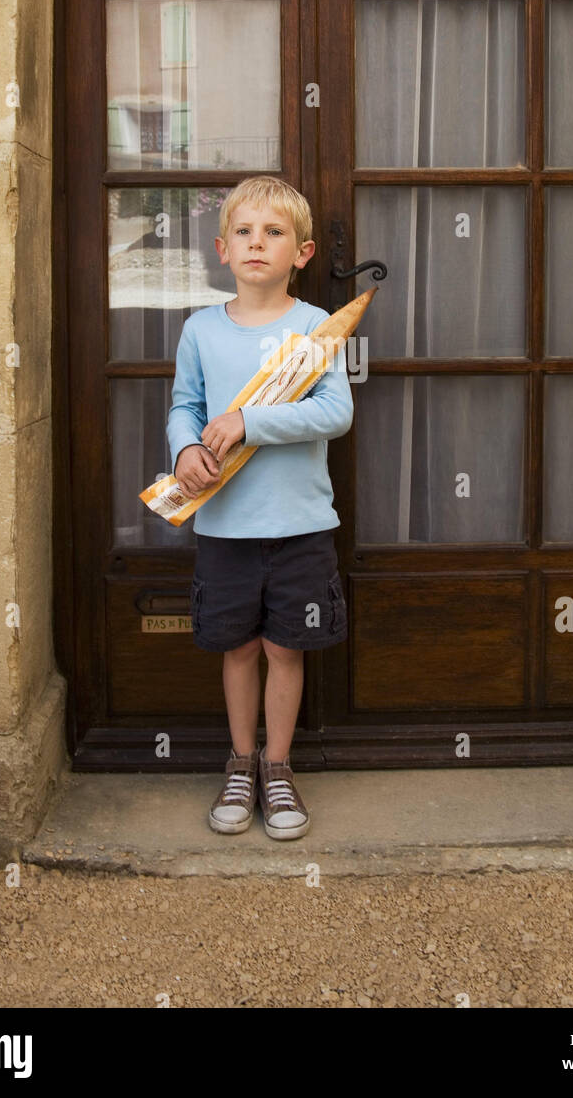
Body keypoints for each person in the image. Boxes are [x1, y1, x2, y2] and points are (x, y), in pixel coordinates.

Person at [167, 175, 353, 839]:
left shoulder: (315, 329)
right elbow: (184, 406)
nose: (257, 243)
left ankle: (278, 768)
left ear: (300, 254)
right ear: (223, 248)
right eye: (244, 232)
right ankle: (240, 763)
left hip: (300, 528)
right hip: (223, 526)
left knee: (286, 649)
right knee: (238, 649)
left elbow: (334, 410)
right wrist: (187, 447)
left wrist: (249, 420)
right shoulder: (200, 331)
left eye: (273, 232)